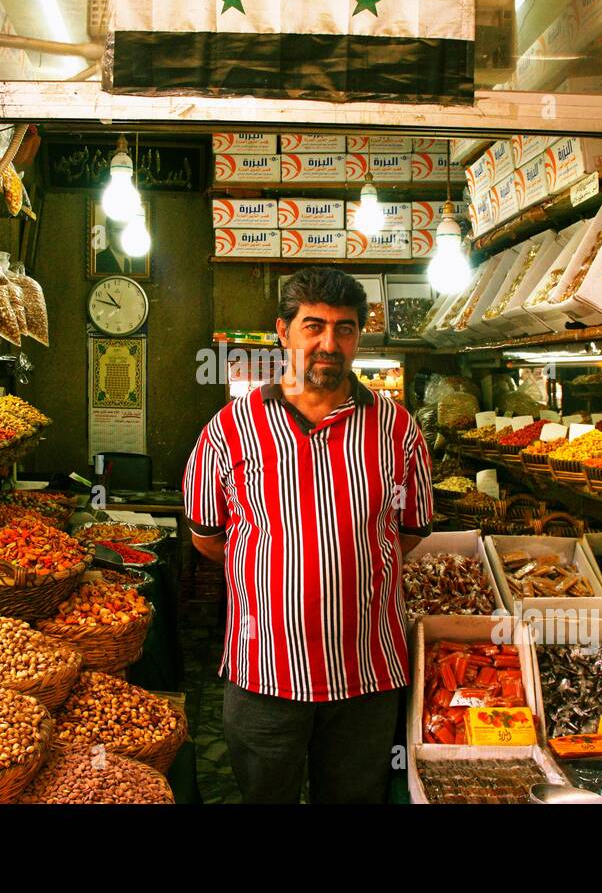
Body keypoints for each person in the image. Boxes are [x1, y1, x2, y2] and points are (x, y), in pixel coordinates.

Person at [182, 267, 433, 803]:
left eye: (344, 328)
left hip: (366, 674)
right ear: (283, 331)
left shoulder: (397, 429)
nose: (329, 342)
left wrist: (346, 557)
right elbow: (208, 538)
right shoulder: (230, 428)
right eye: (313, 325)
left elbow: (408, 531)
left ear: (360, 336)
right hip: (263, 674)